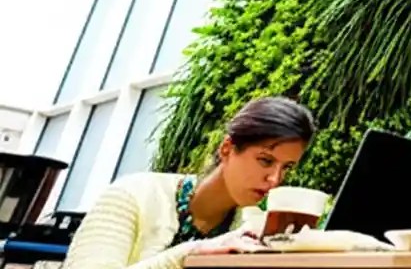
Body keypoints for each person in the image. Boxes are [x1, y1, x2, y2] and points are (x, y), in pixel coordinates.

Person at [63, 96, 316, 269]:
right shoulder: (133, 195)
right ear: (227, 149)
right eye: (265, 160)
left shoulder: (252, 228)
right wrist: (189, 254)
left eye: (286, 167)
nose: (275, 179)